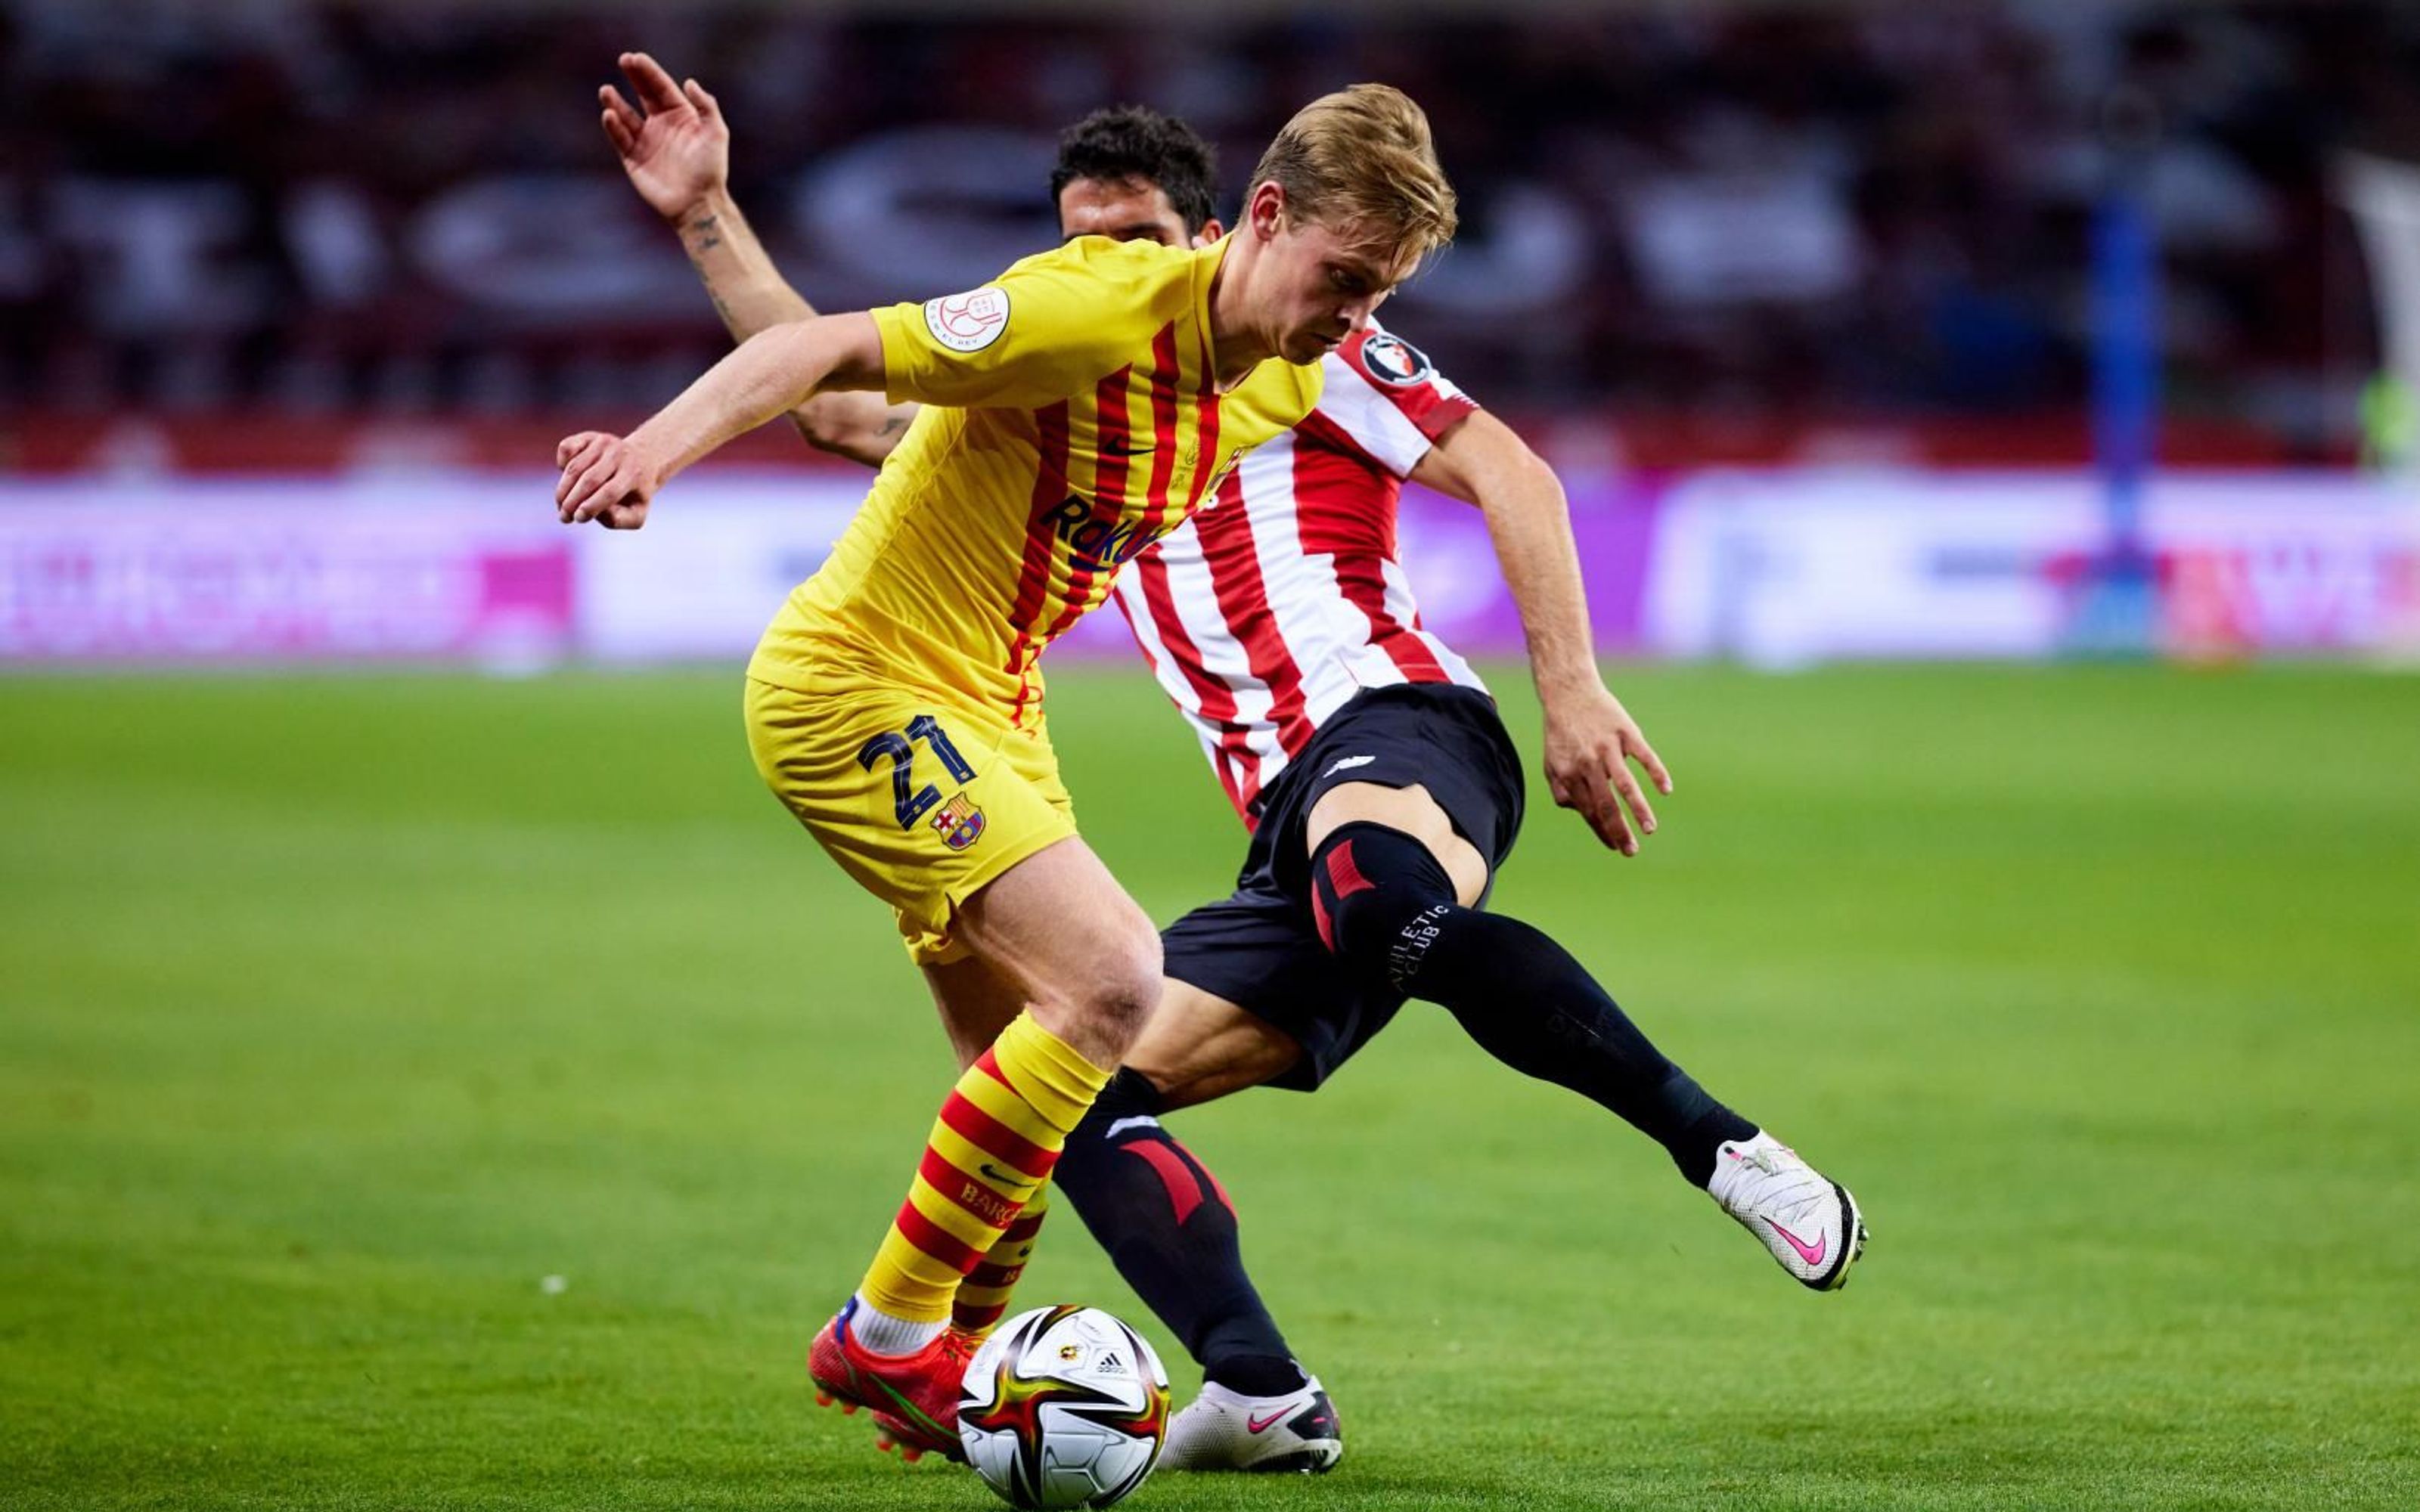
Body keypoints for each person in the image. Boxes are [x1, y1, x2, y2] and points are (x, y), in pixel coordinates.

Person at [597, 55, 1866, 1474]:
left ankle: (1726, 1149)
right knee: (1067, 1081)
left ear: (1222, 225)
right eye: (1078, 238)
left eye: (1131, 240)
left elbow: (1512, 468)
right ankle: (1252, 1389)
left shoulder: (1315, 346)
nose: (1095, 265)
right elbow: (838, 394)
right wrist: (709, 219)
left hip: (1394, 723)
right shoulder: (1068, 367)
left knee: (1342, 907)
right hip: (1229, 800)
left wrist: (1570, 688)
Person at [557, 74, 1461, 1461]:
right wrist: (651, 452)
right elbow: (821, 363)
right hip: (856, 678)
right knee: (1114, 978)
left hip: (992, 709)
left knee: (1030, 1075)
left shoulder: (1286, 371)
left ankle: (959, 1363)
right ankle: (888, 1333)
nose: (1354, 315)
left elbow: (867, 422)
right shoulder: (1088, 304)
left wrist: (709, 218)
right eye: (1344, 279)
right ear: (1261, 225)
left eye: (1379, 289)